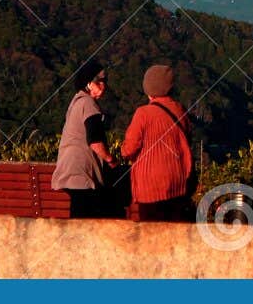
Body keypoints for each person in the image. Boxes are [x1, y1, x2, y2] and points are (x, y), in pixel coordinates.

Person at [120, 64, 194, 222]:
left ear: (148, 88)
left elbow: (129, 149)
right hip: (178, 184)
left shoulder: (143, 114)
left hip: (150, 187)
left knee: (151, 232)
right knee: (174, 231)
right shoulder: (180, 110)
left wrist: (122, 151)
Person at [51, 58, 117, 218]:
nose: (103, 85)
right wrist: (110, 159)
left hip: (70, 171)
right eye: (99, 81)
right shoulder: (88, 104)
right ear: (88, 84)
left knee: (79, 218)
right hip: (82, 174)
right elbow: (95, 141)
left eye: (105, 81)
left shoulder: (76, 102)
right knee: (85, 219)